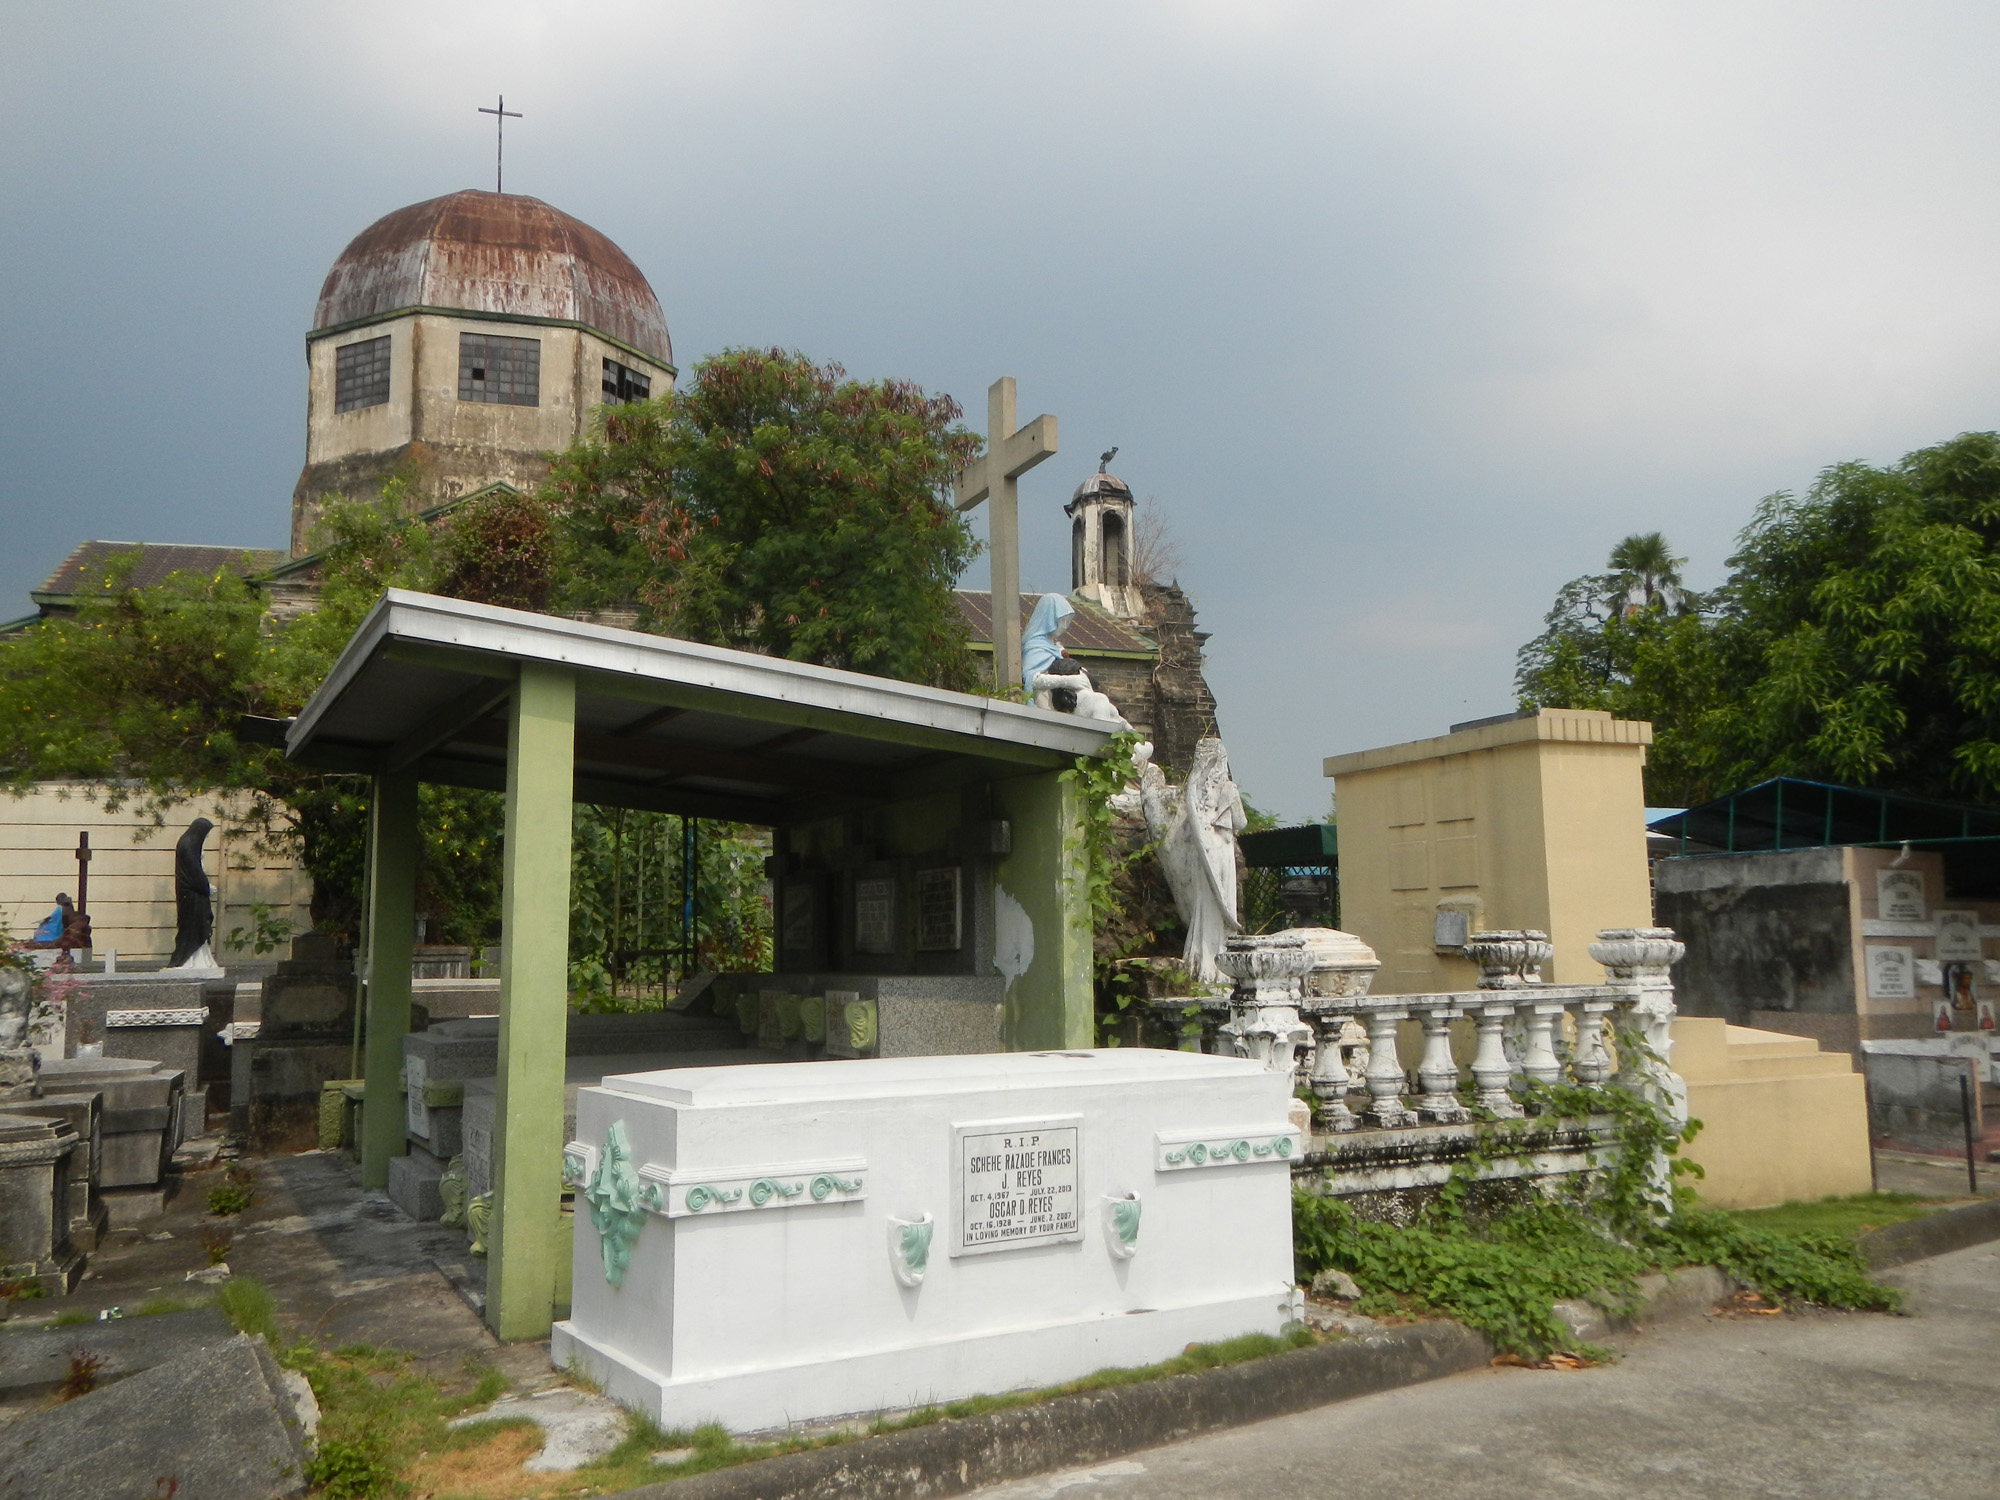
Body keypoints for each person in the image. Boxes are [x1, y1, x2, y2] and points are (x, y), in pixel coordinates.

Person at [1020, 594, 1075, 696]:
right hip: (1043, 699)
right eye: (1061, 620)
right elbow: (1030, 678)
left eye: (1067, 622)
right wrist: (1068, 681)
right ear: (1048, 618)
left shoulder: (1055, 647)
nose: (1064, 626)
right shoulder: (1035, 646)